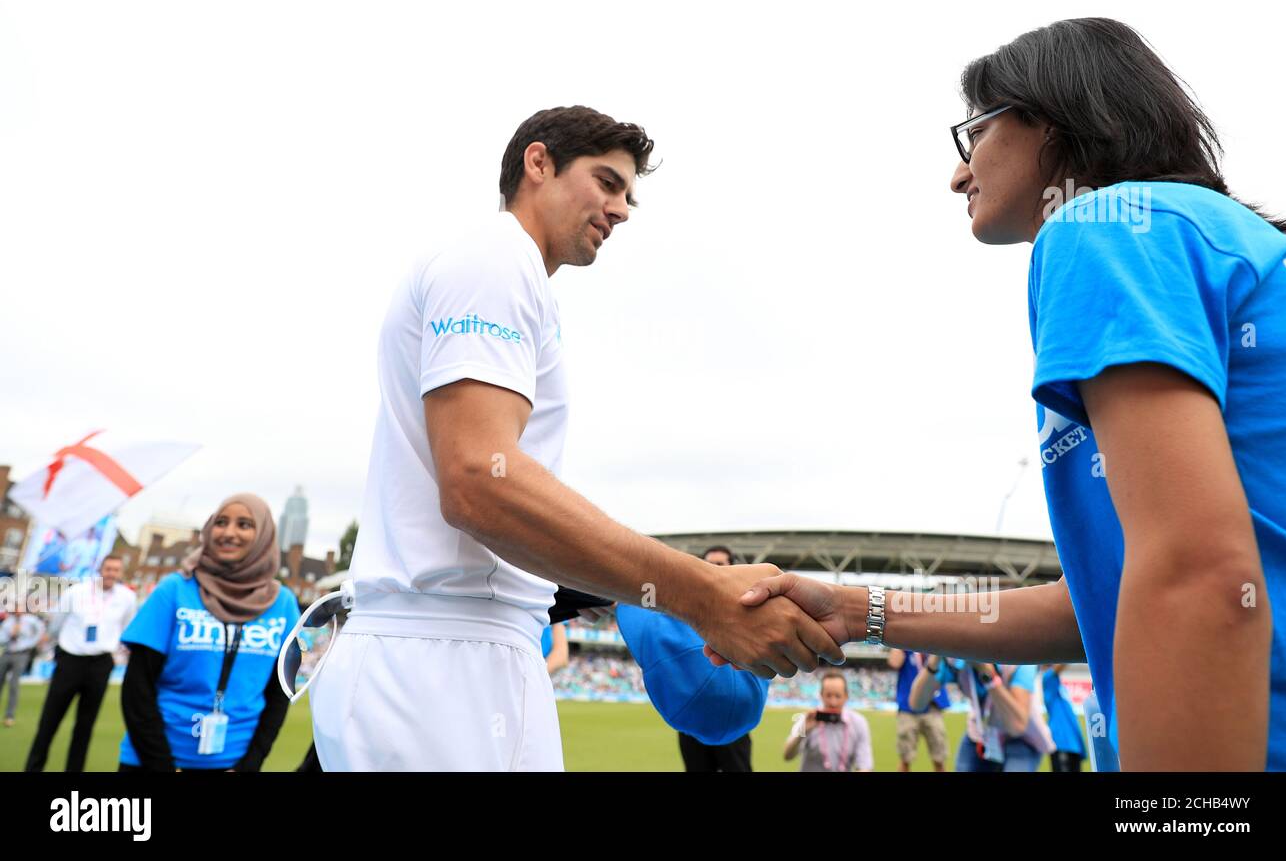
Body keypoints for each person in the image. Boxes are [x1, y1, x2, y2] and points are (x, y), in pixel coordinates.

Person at [712, 18, 1286, 771]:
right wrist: (861, 609)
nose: (959, 175)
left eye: (973, 135)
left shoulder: (1100, 227)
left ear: (1049, 122)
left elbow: (1198, 571)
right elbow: (1087, 604)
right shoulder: (1209, 240)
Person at [309, 105, 844, 771]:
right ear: (539, 163)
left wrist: (674, 588)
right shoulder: (493, 257)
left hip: (483, 645)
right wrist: (696, 592)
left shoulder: (519, 279)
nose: (622, 209)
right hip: (440, 656)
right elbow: (480, 483)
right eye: (608, 182)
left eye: (630, 195)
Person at [117, 494, 298, 771]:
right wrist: (162, 766)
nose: (229, 533)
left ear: (263, 535)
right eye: (221, 522)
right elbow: (137, 688)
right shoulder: (175, 590)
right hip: (152, 761)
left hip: (232, 764)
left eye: (244, 525)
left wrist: (249, 765)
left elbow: (279, 693)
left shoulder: (283, 603)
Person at [25, 554, 137, 771]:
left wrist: (116, 655)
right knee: (49, 721)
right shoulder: (76, 592)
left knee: (85, 726)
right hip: (70, 660)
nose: (111, 574)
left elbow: (126, 629)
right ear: (100, 569)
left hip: (101, 664)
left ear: (121, 572)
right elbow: (56, 625)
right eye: (108, 569)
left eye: (116, 570)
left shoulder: (127, 598)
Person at [677, 546, 753, 772]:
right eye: (709, 563)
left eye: (720, 564)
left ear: (732, 567)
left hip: (732, 715)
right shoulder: (685, 609)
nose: (714, 569)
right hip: (693, 716)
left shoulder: (749, 608)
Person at [909, 656, 1047, 772]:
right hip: (981, 734)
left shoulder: (1018, 659)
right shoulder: (957, 661)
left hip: (1021, 739)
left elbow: (1017, 726)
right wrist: (936, 658)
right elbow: (916, 703)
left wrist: (989, 676)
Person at [782, 671, 872, 772]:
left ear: (846, 696)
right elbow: (787, 755)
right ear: (821, 695)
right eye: (828, 695)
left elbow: (864, 765)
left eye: (838, 696)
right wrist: (803, 732)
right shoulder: (808, 719)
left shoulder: (859, 722)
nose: (833, 702)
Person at [888, 648, 948, 771]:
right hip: (907, 707)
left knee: (939, 758)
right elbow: (894, 662)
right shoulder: (906, 646)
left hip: (932, 705)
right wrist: (901, 640)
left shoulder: (934, 642)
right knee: (905, 759)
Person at [1, 605, 46, 727]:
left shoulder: (31, 621)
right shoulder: (8, 622)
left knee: (13, 684)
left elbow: (41, 631)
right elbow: (1, 638)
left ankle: (9, 716)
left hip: (22, 654)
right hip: (7, 652)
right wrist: (10, 635)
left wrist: (31, 644)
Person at [1043, 663, 1087, 772]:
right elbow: (1060, 665)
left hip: (1073, 745)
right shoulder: (1047, 678)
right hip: (1061, 743)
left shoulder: (1061, 688)